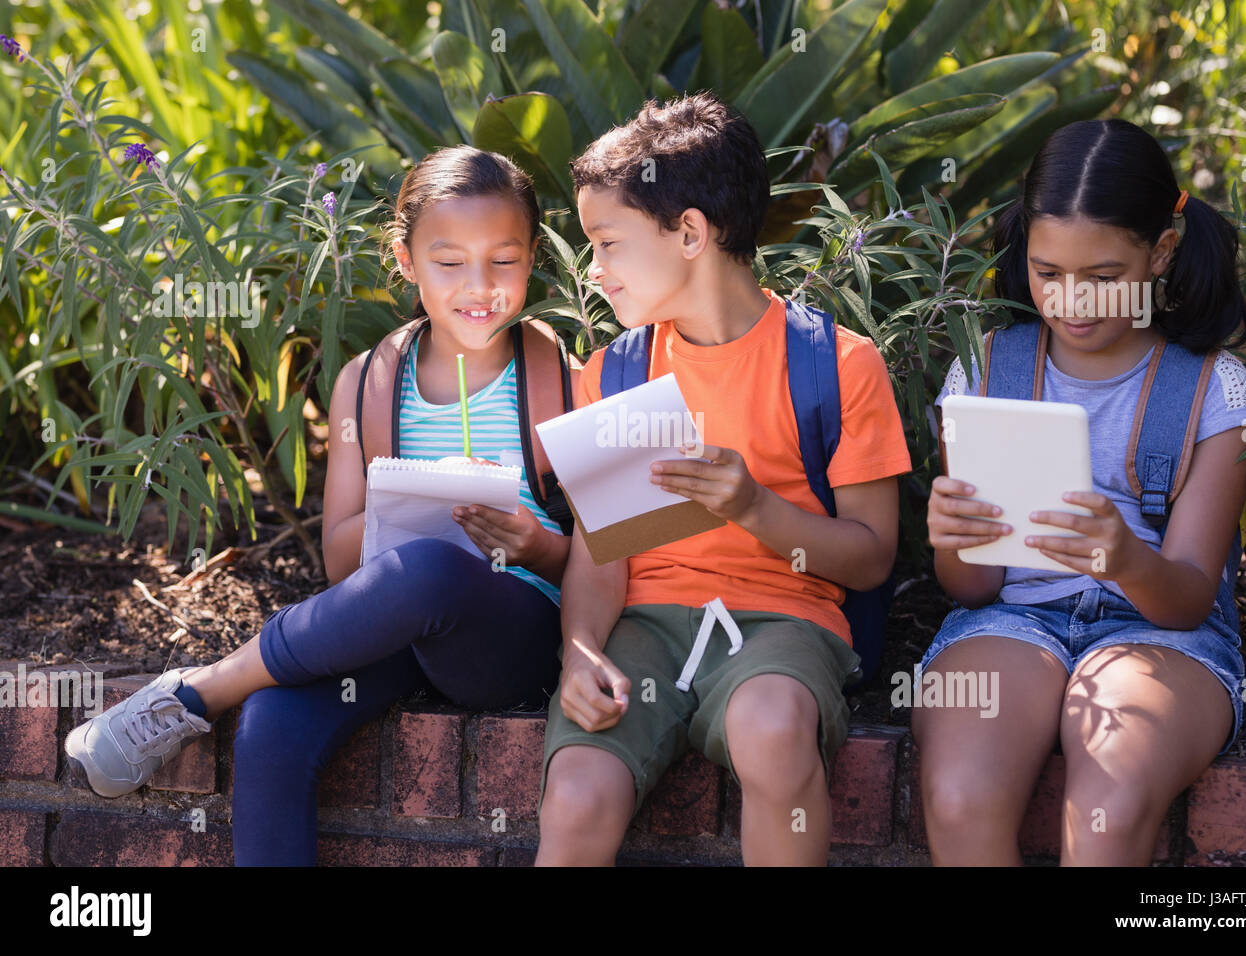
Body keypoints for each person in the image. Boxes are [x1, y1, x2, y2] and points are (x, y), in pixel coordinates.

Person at [64, 146, 580, 865]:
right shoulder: (368, 386)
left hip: (511, 640)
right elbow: (342, 562)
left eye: (504, 260)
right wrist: (415, 501)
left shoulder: (560, 377)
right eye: (449, 261)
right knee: (274, 715)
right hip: (398, 635)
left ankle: (201, 689)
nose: (480, 285)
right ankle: (229, 698)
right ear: (404, 260)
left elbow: (601, 555)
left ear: (532, 258)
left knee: (429, 572)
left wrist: (533, 544)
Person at [534, 92, 913, 866]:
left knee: (771, 732)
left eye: (607, 244)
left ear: (691, 234)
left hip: (785, 622)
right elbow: (602, 555)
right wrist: (581, 654)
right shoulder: (616, 374)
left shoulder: (836, 366)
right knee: (575, 793)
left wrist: (753, 507)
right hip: (648, 625)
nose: (594, 270)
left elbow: (872, 557)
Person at [917, 118, 1246, 866]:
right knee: (959, 796)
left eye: (1103, 278)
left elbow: (1190, 599)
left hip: (1164, 635)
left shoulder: (1212, 391)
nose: (1070, 301)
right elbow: (972, 588)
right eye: (1047, 272)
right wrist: (952, 536)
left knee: (1109, 805)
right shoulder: (988, 371)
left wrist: (1123, 560)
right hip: (1011, 621)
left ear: (1161, 252)